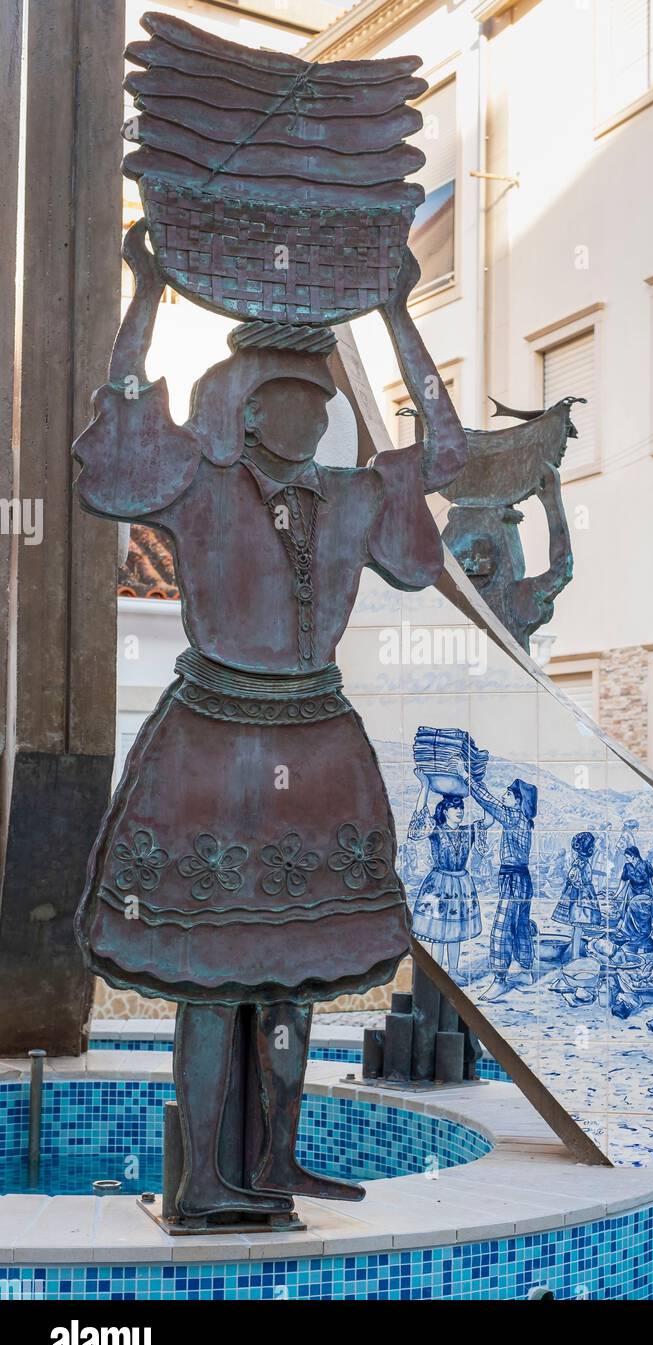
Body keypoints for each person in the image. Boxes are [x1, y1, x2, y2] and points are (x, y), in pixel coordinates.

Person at [72, 225, 467, 1222]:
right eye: (285, 398)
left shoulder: (350, 496)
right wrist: (146, 295)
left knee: (287, 972)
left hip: (314, 744)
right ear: (245, 407)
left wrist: (392, 312)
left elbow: (449, 455)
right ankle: (210, 1175)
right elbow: (117, 435)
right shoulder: (198, 484)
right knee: (209, 975)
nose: (305, 414)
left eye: (317, 402)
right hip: (210, 744)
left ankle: (273, 1163)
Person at [406, 769, 485, 983]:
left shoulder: (468, 830)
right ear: (444, 811)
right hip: (440, 884)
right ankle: (437, 972)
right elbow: (419, 817)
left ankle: (454, 971)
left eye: (460, 807)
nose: (459, 811)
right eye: (453, 808)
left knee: (455, 930)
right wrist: (424, 786)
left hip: (461, 884)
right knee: (439, 932)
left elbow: (488, 821)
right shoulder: (435, 829)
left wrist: (478, 787)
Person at [471, 776, 538, 1001]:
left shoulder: (513, 817)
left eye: (508, 795)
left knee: (501, 928)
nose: (503, 797)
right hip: (522, 879)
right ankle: (527, 971)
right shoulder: (523, 819)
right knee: (520, 925)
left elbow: (488, 801)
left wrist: (466, 777)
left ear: (518, 801)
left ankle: (499, 980)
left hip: (513, 879)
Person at [551, 831, 601, 957]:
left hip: (580, 895)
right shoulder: (582, 863)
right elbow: (574, 876)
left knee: (578, 928)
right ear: (589, 849)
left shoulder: (578, 862)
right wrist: (582, 886)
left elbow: (572, 876)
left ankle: (576, 954)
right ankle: (575, 956)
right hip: (581, 897)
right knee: (578, 927)